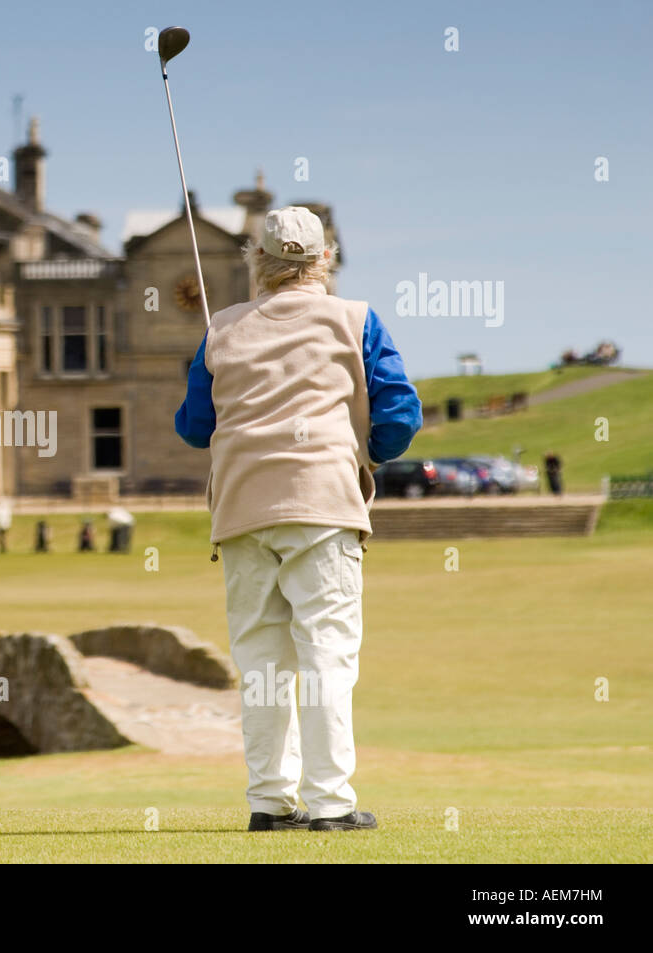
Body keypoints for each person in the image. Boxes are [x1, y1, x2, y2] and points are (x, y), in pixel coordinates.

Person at [174, 207, 422, 833]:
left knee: (261, 662)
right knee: (326, 656)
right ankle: (332, 804)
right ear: (324, 260)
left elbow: (192, 428)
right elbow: (399, 419)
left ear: (258, 261)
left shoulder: (220, 330)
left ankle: (269, 802)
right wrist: (368, 447)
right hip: (324, 506)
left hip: (241, 511)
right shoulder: (356, 319)